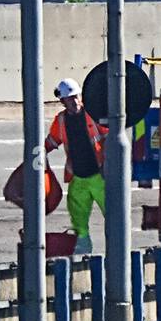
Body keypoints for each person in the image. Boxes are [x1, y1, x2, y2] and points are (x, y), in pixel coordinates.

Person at [45, 78, 109, 255]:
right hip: (78, 178)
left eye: (76, 97)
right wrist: (38, 152)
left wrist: (109, 165)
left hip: (99, 176)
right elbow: (52, 140)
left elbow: (110, 137)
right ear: (62, 101)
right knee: (78, 218)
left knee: (113, 216)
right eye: (69, 99)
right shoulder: (61, 120)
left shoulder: (92, 114)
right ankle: (83, 251)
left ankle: (118, 249)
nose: (74, 101)